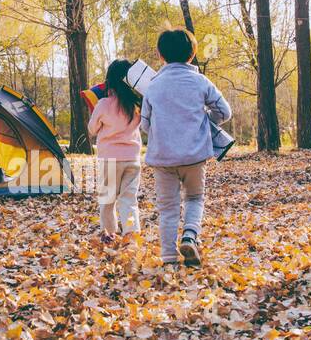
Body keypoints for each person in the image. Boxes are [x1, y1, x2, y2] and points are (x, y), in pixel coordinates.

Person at [139, 28, 232, 267]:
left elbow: (145, 124)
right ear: (192, 54)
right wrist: (203, 121)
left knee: (168, 208)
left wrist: (163, 133)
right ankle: (190, 235)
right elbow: (225, 112)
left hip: (163, 159)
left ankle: (169, 257)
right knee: (194, 198)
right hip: (194, 156)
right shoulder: (200, 81)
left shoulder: (153, 86)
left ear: (160, 55)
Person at [87, 60, 142, 240]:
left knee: (107, 200)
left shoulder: (103, 104)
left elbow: (92, 129)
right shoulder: (136, 106)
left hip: (109, 159)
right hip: (132, 159)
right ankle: (130, 233)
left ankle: (109, 234)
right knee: (129, 200)